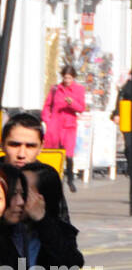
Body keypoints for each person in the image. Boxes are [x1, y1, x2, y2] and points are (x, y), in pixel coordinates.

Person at [41, 66, 86, 194]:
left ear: (73, 77)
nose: (67, 80)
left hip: (69, 125)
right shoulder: (55, 89)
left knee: (68, 153)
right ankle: (54, 179)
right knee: (54, 151)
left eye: (70, 78)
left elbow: (81, 108)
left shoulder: (79, 89)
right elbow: (47, 105)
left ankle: (70, 179)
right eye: (65, 77)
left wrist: (71, 103)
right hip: (55, 124)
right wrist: (47, 119)